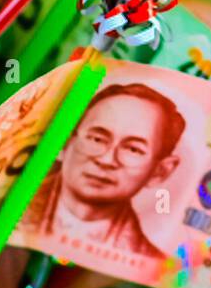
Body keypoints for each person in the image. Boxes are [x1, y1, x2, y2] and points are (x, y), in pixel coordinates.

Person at [24, 83, 184, 259]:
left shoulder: (151, 263)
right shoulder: (4, 207)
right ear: (64, 142)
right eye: (97, 139)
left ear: (160, 172)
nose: (106, 160)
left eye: (132, 149)